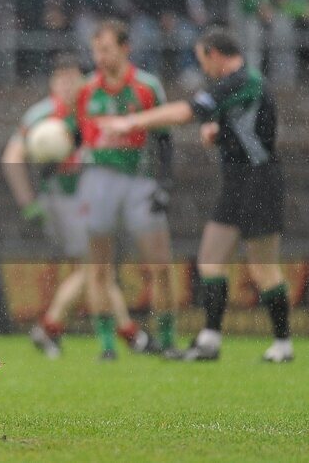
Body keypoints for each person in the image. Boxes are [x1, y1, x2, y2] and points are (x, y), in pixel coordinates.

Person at [101, 28, 292, 363]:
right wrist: (220, 132)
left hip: (260, 181)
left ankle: (283, 344)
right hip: (236, 181)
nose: (204, 68)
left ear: (214, 54)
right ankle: (210, 339)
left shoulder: (240, 81)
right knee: (210, 259)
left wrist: (130, 123)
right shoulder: (238, 86)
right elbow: (251, 124)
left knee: (263, 268)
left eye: (203, 59)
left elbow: (184, 112)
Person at [2, 54, 147, 359]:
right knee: (95, 267)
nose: (68, 86)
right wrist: (28, 203)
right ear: (53, 83)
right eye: (61, 79)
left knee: (95, 268)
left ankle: (120, 332)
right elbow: (12, 156)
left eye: (73, 79)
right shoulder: (42, 115)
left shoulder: (92, 108)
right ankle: (116, 333)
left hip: (92, 195)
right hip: (63, 198)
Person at [75, 20, 178, 360]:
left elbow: (164, 138)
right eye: (95, 50)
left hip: (140, 179)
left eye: (106, 49)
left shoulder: (147, 87)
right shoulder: (87, 90)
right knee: (100, 267)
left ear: (124, 48)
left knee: (160, 266)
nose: (99, 57)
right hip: (99, 179)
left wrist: (164, 183)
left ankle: (166, 338)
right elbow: (76, 135)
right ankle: (106, 344)